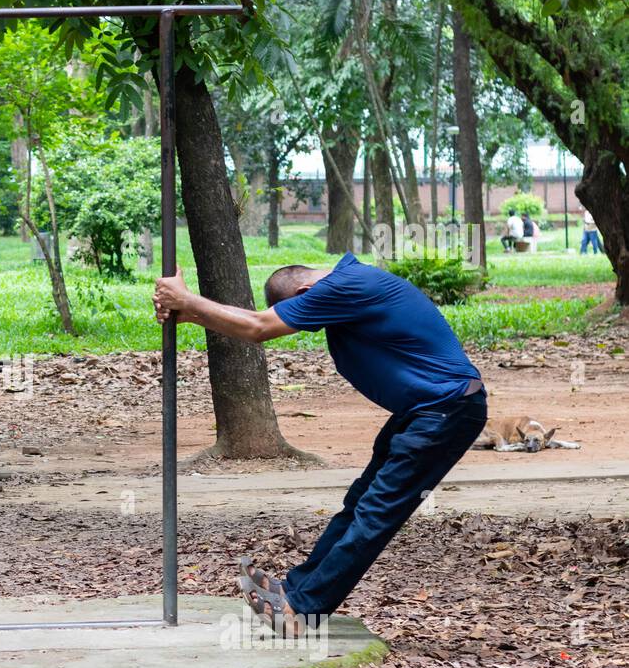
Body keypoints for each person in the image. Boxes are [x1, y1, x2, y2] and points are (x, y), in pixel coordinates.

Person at [152, 254, 486, 637]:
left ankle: (303, 610)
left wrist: (191, 302)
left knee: (375, 514)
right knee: (359, 505)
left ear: (306, 292)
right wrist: (190, 313)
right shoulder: (345, 288)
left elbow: (259, 326)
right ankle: (297, 591)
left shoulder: (345, 286)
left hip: (446, 410)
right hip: (428, 410)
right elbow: (254, 322)